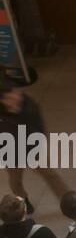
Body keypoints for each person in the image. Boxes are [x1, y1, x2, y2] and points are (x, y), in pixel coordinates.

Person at [0, 82, 71, 214]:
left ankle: (69, 202)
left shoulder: (28, 106)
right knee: (15, 181)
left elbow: (37, 130)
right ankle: (23, 199)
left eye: (13, 96)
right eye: (8, 99)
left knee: (51, 175)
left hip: (32, 149)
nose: (13, 100)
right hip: (11, 153)